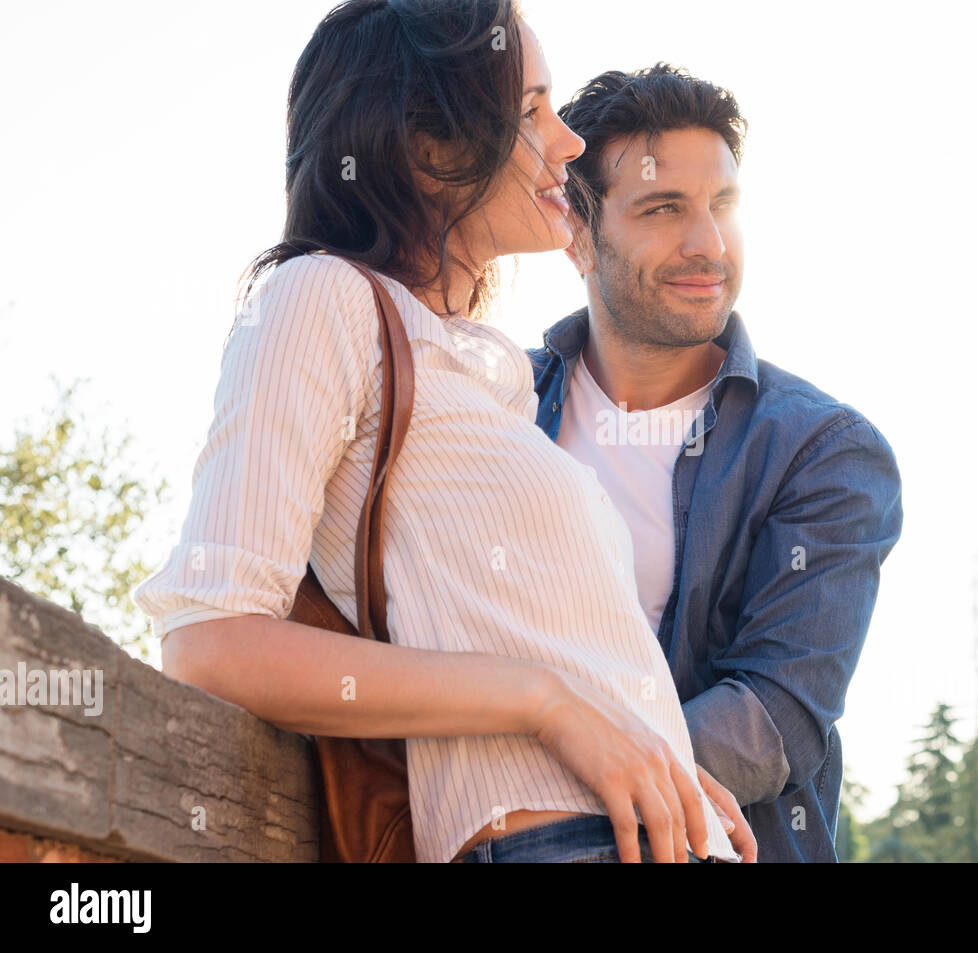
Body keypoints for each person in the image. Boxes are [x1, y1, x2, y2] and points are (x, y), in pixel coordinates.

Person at [131, 0, 751, 864]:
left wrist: (653, 740)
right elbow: (209, 641)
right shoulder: (323, 297)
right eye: (532, 111)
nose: (567, 142)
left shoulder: (486, 368)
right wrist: (546, 701)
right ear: (430, 149)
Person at [528, 64, 904, 861]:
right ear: (576, 231)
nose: (707, 243)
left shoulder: (825, 452)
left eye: (723, 206)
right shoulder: (496, 405)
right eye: (664, 208)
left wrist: (530, 780)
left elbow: (774, 717)